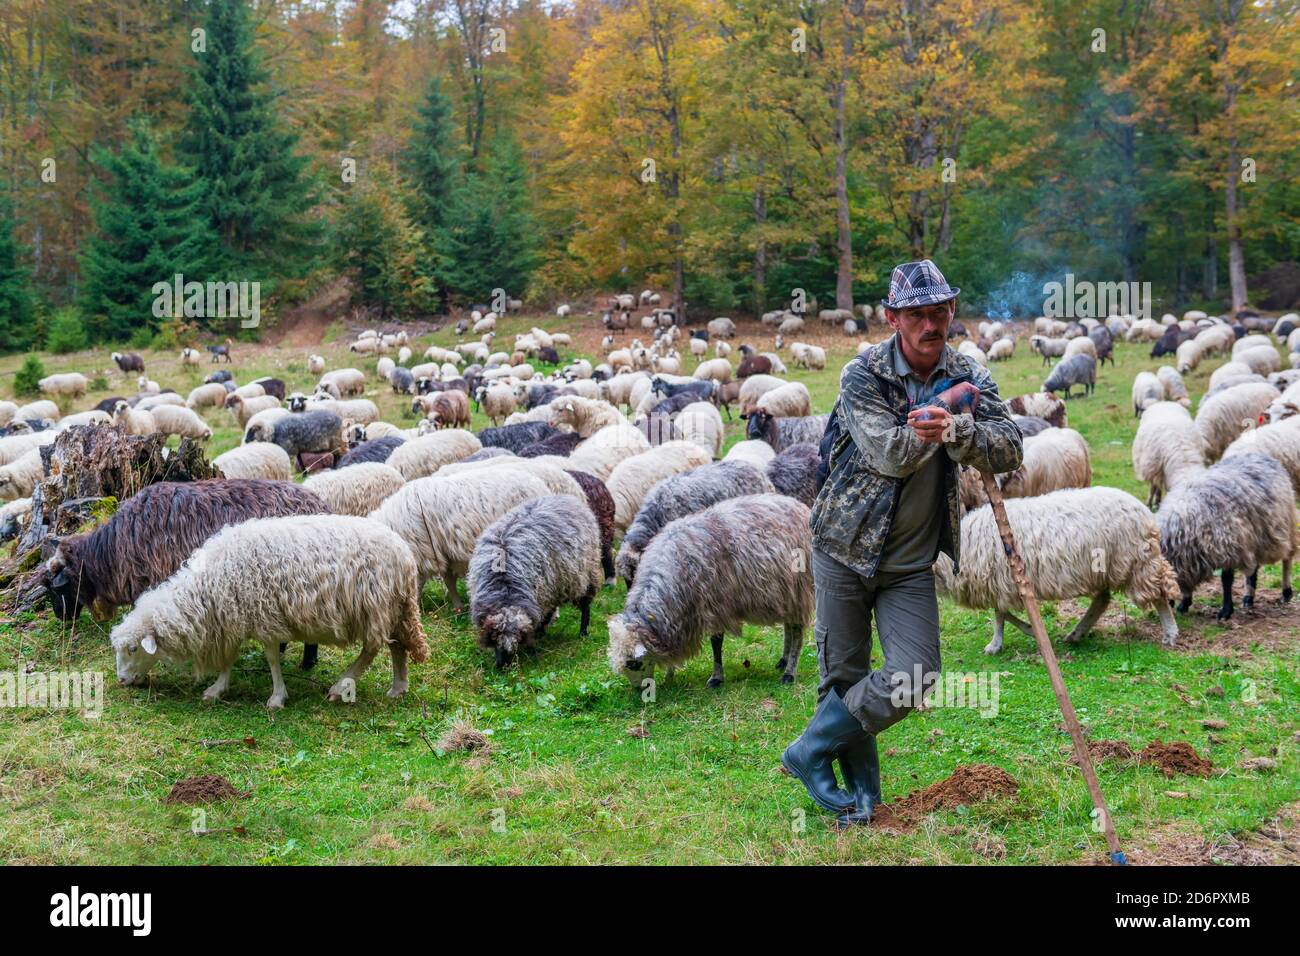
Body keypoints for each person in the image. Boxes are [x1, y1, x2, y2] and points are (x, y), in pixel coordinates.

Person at [781, 259, 1023, 827]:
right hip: (843, 547)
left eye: (939, 311)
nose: (930, 324)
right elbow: (888, 453)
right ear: (893, 318)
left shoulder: (971, 375)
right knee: (843, 676)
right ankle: (862, 799)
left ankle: (808, 750)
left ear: (951, 313)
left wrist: (960, 430)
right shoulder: (862, 376)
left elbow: (1011, 447)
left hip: (911, 562)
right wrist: (941, 424)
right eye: (917, 314)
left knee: (916, 675)